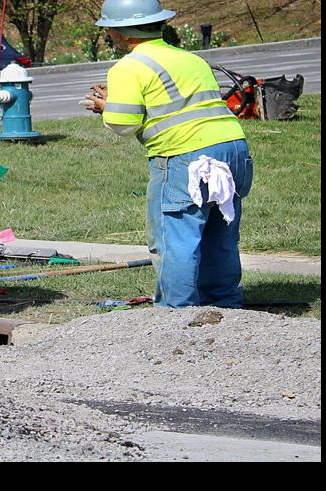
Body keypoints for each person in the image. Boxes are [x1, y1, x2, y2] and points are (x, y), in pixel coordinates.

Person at [82, 0, 252, 309]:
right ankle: (225, 305)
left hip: (185, 156)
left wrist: (105, 107)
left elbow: (123, 123)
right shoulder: (191, 59)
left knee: (175, 240)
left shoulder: (128, 66)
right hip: (233, 149)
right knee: (220, 235)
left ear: (121, 31)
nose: (107, 33)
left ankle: (176, 313)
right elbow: (177, 105)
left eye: (108, 28)